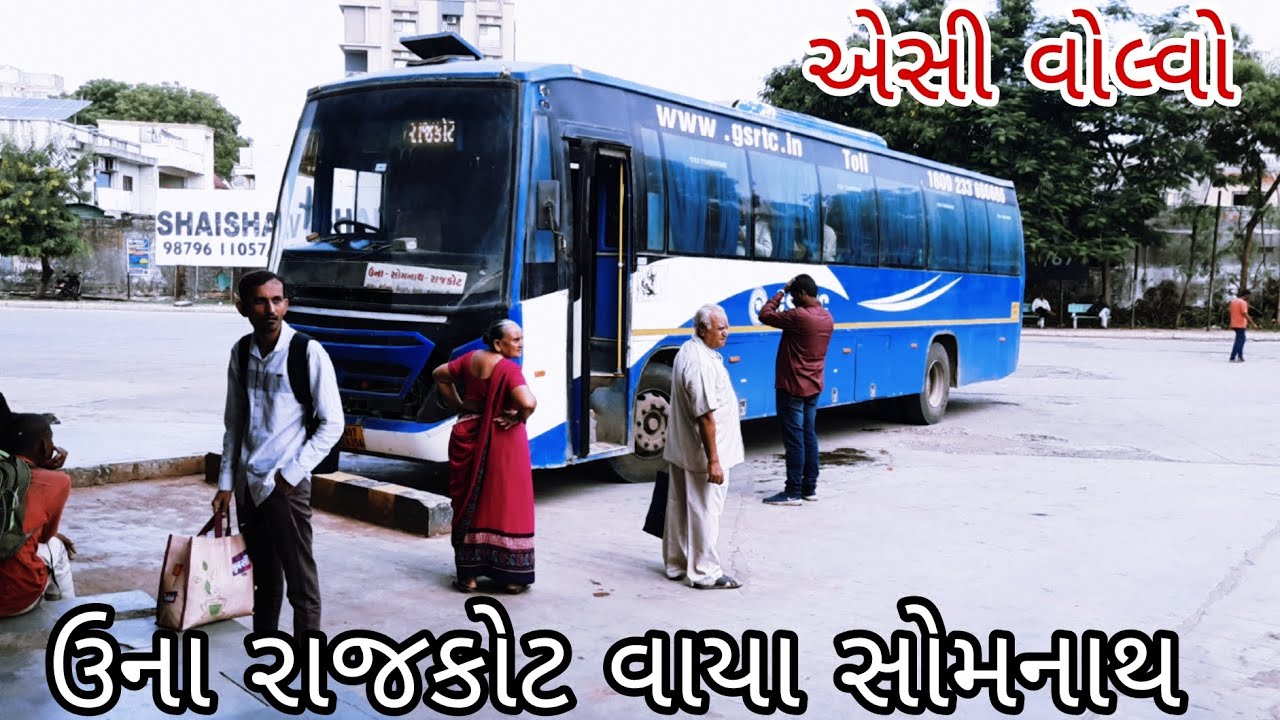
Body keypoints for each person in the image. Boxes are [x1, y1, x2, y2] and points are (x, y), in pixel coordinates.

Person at [212, 270, 343, 637]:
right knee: (264, 580)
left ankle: (306, 661)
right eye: (260, 301)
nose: (270, 309)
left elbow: (332, 424)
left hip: (285, 485)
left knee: (301, 582)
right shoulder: (241, 352)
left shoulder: (306, 351)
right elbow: (234, 423)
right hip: (248, 485)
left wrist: (293, 472)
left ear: (286, 304)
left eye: (277, 300)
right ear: (242, 308)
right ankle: (266, 651)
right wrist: (226, 483)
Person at [432, 320, 538, 594]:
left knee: (471, 503)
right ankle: (512, 577)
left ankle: (468, 577)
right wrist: (519, 417)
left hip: (467, 431)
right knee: (507, 503)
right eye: (515, 339)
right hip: (501, 440)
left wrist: (459, 405)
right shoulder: (509, 370)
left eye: (521, 338)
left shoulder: (470, 359)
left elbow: (440, 374)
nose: (521, 343)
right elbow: (528, 402)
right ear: (498, 344)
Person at [663, 304, 745, 589]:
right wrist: (714, 460)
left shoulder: (690, 350)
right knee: (705, 510)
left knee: (679, 507)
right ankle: (705, 572)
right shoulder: (698, 362)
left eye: (726, 326)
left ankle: (676, 564)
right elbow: (706, 416)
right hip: (702, 453)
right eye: (719, 328)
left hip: (684, 448)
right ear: (702, 329)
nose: (726, 332)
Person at [758, 275, 834, 505]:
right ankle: (809, 488)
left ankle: (792, 491)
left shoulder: (800, 316)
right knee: (809, 436)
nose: (791, 300)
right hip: (813, 386)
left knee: (794, 441)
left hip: (792, 386)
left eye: (793, 296)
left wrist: (781, 291)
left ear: (801, 294)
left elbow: (765, 314)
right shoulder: (827, 317)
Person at [0, 413, 76, 617]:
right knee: (56, 548)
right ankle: (68, 619)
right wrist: (44, 469)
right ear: (44, 446)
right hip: (13, 599)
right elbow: (44, 536)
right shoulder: (57, 482)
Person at [1228, 289, 1257, 363]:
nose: (1249, 297)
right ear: (1246, 295)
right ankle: (1233, 356)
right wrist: (1253, 323)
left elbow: (1231, 312)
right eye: (1249, 296)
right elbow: (1245, 313)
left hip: (1234, 323)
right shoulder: (1243, 303)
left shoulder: (1233, 302)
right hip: (1240, 324)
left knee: (1240, 340)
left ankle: (1240, 356)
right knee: (1240, 340)